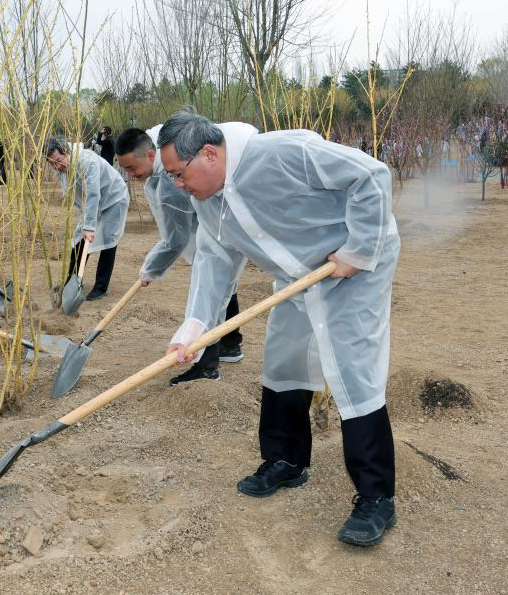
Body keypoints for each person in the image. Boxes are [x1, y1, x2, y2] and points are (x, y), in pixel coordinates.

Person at [158, 110, 401, 548]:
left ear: (209, 155)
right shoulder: (206, 199)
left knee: (352, 368)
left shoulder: (284, 152)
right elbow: (215, 261)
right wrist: (195, 326)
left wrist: (358, 248)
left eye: (179, 173)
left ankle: (376, 496)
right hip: (297, 277)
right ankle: (285, 460)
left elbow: (371, 175)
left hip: (354, 265)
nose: (178, 185)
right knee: (285, 358)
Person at [114, 126, 246, 384]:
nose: (130, 176)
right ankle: (232, 344)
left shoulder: (170, 178)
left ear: (151, 155)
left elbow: (175, 239)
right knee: (222, 287)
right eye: (125, 170)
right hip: (214, 233)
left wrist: (152, 267)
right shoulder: (166, 164)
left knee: (208, 292)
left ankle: (207, 365)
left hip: (214, 235)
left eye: (131, 168)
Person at [44, 135, 129, 300]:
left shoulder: (87, 161)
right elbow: (76, 194)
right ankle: (71, 282)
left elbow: (93, 193)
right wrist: (86, 223)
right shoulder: (63, 166)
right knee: (79, 242)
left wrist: (89, 226)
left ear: (67, 152)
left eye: (58, 160)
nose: (56, 166)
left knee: (108, 241)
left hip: (113, 198)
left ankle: (100, 287)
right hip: (92, 205)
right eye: (51, 164)